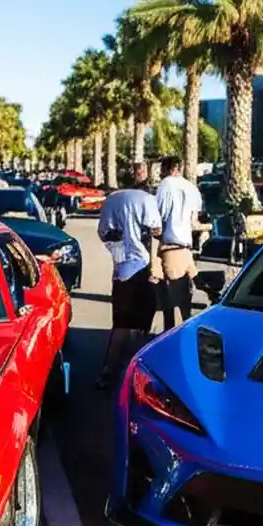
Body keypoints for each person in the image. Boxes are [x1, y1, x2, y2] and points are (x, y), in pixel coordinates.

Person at [96, 164, 161, 389]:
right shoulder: (146, 199)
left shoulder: (111, 200)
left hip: (121, 267)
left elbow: (104, 232)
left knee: (121, 322)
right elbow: (156, 231)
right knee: (142, 323)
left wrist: (117, 252)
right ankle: (132, 373)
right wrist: (154, 265)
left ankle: (108, 369)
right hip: (142, 264)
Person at [153, 156, 202, 330]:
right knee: (185, 301)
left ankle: (171, 337)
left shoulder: (166, 185)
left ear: (169, 169)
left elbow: (158, 216)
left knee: (169, 302)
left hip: (170, 247)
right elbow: (195, 219)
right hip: (186, 247)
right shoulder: (191, 187)